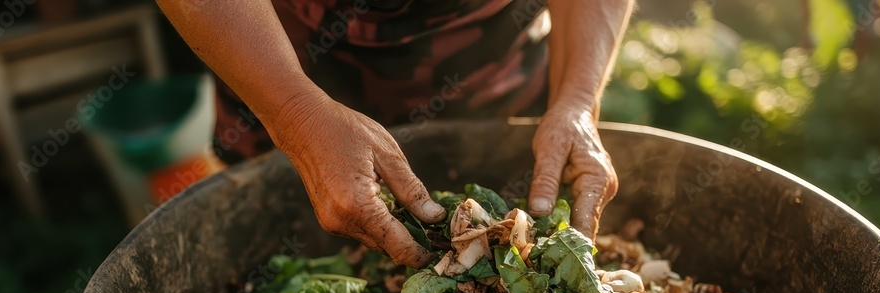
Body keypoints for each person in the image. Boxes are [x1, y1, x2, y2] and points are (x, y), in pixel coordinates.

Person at [156, 0, 634, 267]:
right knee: (279, 249)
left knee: (502, 230)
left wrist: (577, 100)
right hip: (287, 57)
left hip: (487, 66)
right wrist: (295, 114)